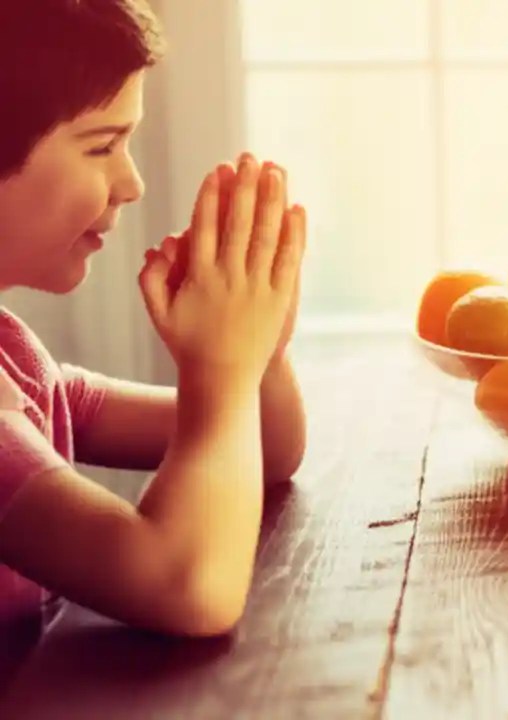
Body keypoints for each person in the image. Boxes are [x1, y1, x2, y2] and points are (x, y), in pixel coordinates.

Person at [0, 0, 308, 637]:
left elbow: (269, 449)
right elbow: (187, 585)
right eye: (103, 145)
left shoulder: (16, 358)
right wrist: (221, 367)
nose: (132, 182)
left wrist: (260, 353)